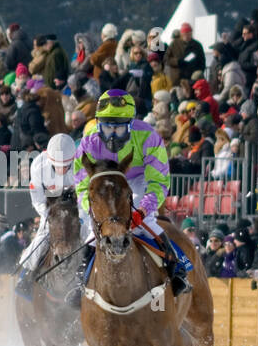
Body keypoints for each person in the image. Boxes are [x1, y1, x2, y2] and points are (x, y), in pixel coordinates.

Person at [73, 89, 187, 300]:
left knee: (146, 224)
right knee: (91, 230)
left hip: (138, 178)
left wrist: (143, 210)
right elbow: (81, 183)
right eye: (107, 128)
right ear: (98, 124)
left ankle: (177, 266)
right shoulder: (88, 142)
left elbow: (159, 182)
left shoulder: (149, 137)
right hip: (105, 182)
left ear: (131, 124)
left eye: (118, 128)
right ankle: (80, 279)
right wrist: (94, 211)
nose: (112, 134)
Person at [15, 133, 83, 298]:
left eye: (66, 165)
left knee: (89, 235)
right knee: (42, 237)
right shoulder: (39, 165)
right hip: (52, 208)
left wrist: (80, 214)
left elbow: (86, 193)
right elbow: (37, 198)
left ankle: (84, 276)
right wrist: (49, 215)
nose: (62, 169)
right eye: (57, 166)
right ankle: (27, 275)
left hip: (77, 208)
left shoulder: (81, 163)